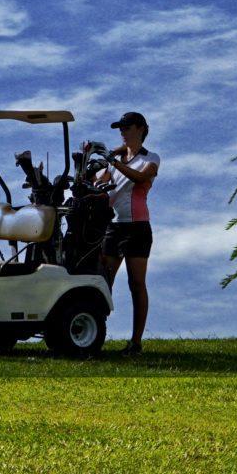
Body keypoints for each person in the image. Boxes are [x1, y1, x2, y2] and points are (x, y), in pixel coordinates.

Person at [97, 112, 160, 356]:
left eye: (126, 127)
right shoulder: (117, 159)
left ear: (141, 129)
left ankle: (136, 342)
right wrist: (104, 162)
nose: (122, 131)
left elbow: (141, 177)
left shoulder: (150, 158)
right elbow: (100, 181)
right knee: (104, 281)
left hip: (137, 228)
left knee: (136, 283)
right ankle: (94, 335)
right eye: (120, 128)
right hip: (113, 226)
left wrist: (114, 161)